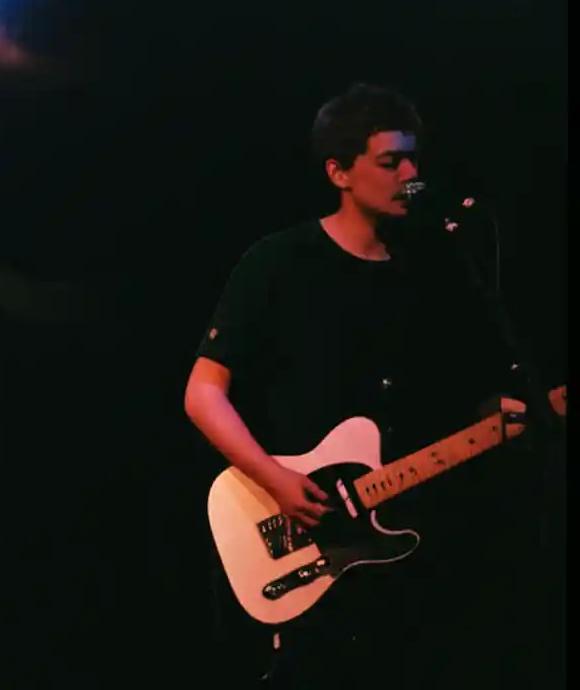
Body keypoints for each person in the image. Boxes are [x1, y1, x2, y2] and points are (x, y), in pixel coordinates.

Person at [183, 83, 543, 688]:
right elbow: (202, 393)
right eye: (390, 161)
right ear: (339, 172)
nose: (410, 173)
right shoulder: (279, 262)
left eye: (414, 160)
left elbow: (460, 390)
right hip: (317, 544)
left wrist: (501, 414)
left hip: (421, 546)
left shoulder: (436, 267)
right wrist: (278, 480)